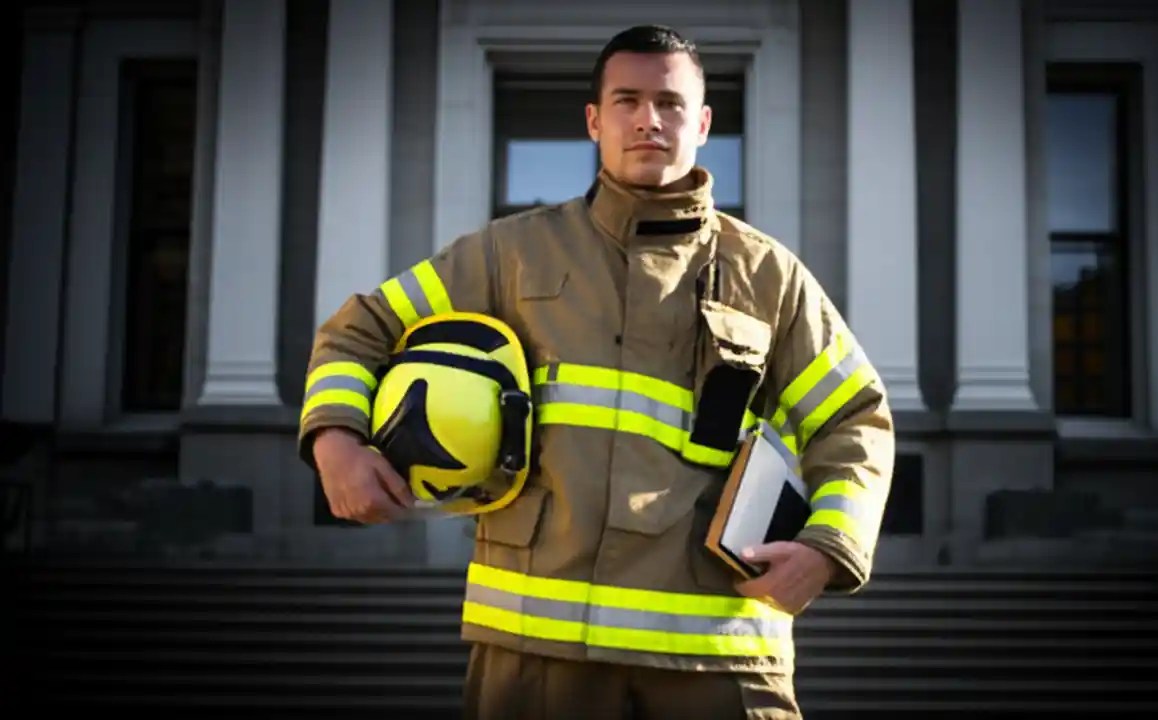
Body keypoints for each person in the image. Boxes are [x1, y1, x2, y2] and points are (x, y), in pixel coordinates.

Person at [299, 24, 895, 720]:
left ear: (703, 124)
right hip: (536, 652)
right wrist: (336, 441)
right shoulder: (509, 254)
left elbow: (854, 417)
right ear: (594, 120)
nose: (648, 120)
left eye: (670, 103)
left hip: (717, 656)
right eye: (627, 101)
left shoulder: (770, 277)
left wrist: (828, 545)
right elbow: (361, 328)